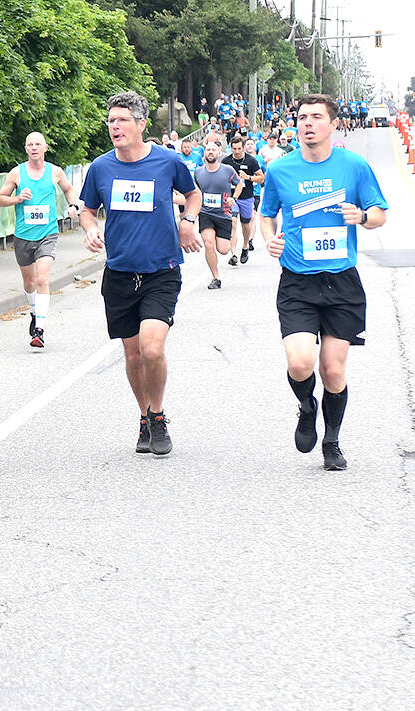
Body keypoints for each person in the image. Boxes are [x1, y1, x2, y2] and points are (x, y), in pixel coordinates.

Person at [261, 94, 388, 471]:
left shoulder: (354, 166)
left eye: (316, 117)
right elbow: (268, 215)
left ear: (334, 124)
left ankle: (331, 439)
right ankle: (305, 405)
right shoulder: (281, 170)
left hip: (341, 281)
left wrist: (362, 216)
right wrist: (270, 237)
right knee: (301, 364)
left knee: (333, 371)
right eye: (302, 117)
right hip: (297, 280)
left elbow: (380, 214)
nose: (307, 123)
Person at [79, 91, 202, 456]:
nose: (115, 127)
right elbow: (88, 210)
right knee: (132, 355)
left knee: (151, 347)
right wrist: (89, 228)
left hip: (160, 270)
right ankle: (144, 417)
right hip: (119, 273)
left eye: (122, 120)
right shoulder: (101, 167)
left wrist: (188, 221)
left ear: (141, 124)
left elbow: (192, 195)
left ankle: (159, 415)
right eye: (111, 121)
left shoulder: (167, 162)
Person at [0, 131, 80, 347]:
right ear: (26, 149)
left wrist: (73, 206)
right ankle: (35, 313)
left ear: (45, 148)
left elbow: (69, 189)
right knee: (30, 282)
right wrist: (17, 198)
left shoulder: (55, 172)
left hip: (47, 233)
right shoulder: (16, 173)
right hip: (23, 235)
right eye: (30, 144)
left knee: (42, 279)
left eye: (37, 144)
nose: (34, 147)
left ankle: (39, 329)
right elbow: (0, 199)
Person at [189, 134, 240, 289]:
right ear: (204, 153)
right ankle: (216, 277)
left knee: (223, 250)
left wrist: (234, 198)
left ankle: (229, 250)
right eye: (208, 150)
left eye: (213, 150)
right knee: (208, 243)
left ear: (219, 153)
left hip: (223, 214)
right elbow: (194, 192)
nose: (210, 152)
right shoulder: (198, 173)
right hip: (206, 213)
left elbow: (239, 185)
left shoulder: (228, 170)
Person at [222, 135, 264, 266]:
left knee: (245, 225)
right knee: (233, 223)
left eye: (239, 148)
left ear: (243, 147)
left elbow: (261, 178)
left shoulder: (251, 161)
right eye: (234, 148)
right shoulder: (226, 161)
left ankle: (245, 246)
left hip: (246, 197)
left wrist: (249, 177)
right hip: (231, 197)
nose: (237, 151)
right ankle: (233, 254)